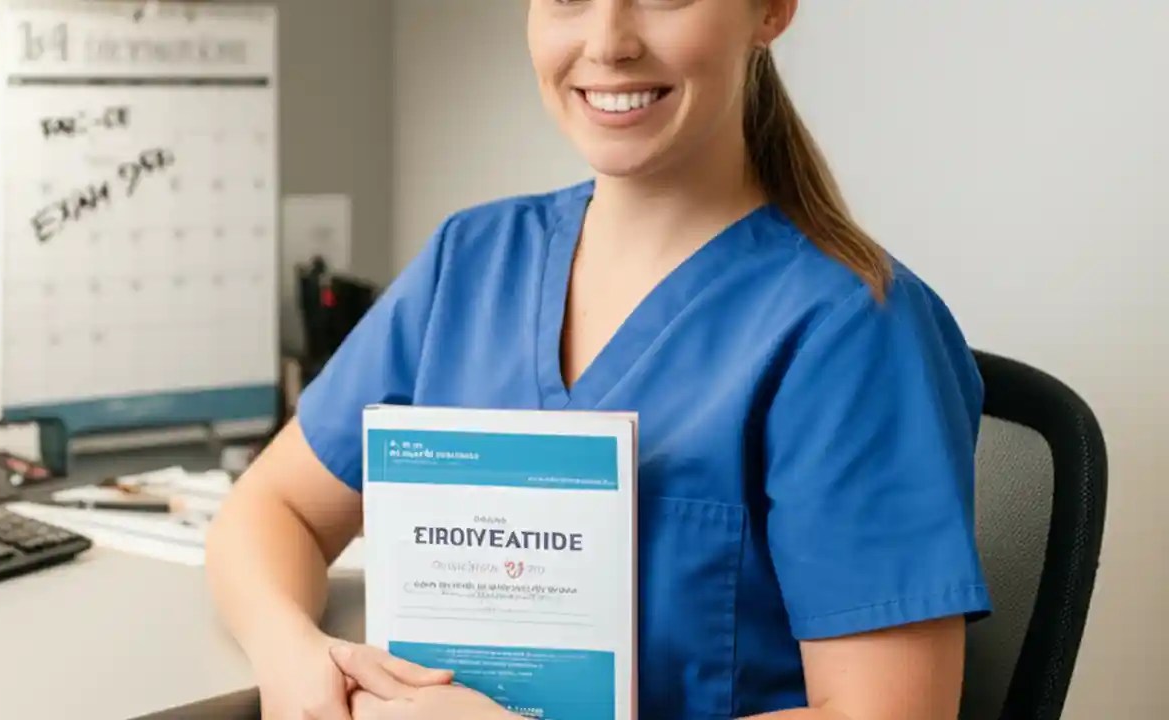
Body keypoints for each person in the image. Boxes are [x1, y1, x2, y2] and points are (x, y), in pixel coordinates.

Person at [205, 0, 992, 718]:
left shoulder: (852, 331)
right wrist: (294, 658)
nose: (609, 41)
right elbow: (274, 508)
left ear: (771, 11)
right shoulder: (471, 263)